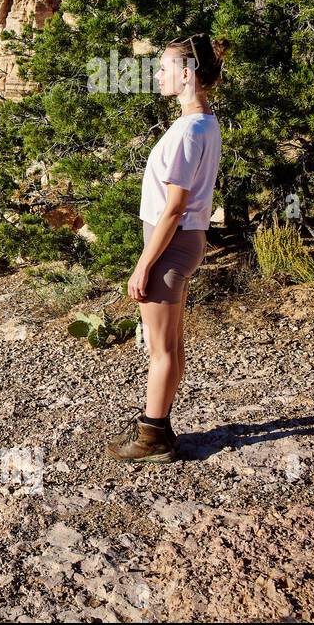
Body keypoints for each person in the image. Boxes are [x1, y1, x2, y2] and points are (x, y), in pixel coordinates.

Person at [107, 34, 223, 463]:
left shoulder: (188, 131)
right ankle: (160, 424)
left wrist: (143, 265)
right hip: (185, 242)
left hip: (170, 244)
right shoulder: (205, 121)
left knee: (161, 348)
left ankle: (151, 439)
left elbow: (173, 206)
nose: (156, 75)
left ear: (187, 73)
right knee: (171, 345)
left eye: (163, 68)